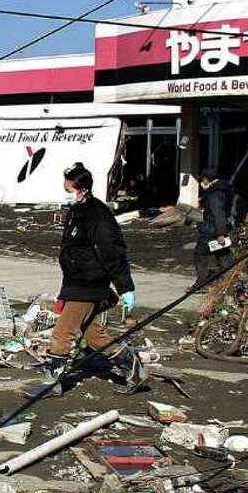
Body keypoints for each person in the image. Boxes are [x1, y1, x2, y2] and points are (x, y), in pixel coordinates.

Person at [46, 163, 147, 393]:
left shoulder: (98, 215)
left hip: (89, 284)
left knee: (62, 333)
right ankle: (134, 368)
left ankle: (52, 384)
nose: (66, 194)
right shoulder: (77, 211)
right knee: (94, 337)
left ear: (81, 189)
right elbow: (74, 252)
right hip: (76, 282)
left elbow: (113, 252)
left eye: (69, 190)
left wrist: (125, 287)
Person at [193, 167, 237, 288]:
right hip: (220, 227)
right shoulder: (223, 189)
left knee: (200, 254)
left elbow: (218, 213)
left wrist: (220, 233)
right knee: (223, 255)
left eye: (203, 179)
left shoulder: (214, 193)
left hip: (213, 228)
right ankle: (229, 281)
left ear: (207, 179)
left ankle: (201, 283)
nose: (202, 182)